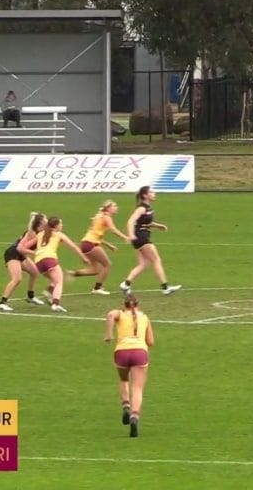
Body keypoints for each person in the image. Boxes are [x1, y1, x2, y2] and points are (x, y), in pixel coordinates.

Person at [104, 293, 155, 438]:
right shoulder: (144, 317)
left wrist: (109, 334)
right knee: (137, 387)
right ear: (138, 305)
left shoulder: (119, 314)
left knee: (124, 380)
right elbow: (151, 342)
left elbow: (109, 315)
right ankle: (134, 416)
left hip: (121, 352)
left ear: (124, 305)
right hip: (139, 352)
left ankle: (126, 404)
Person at [119, 186, 182, 296]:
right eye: (151, 192)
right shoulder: (141, 208)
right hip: (141, 237)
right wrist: (131, 234)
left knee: (143, 264)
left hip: (141, 236)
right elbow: (130, 221)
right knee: (156, 260)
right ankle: (165, 287)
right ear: (145, 195)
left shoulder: (148, 207)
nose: (154, 193)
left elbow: (144, 222)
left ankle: (126, 284)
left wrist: (158, 226)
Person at [22, 216, 90, 313]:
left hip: (39, 262)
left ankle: (49, 292)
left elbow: (25, 246)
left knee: (55, 279)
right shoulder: (59, 234)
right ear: (55, 227)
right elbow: (73, 246)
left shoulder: (41, 234)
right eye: (60, 224)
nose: (62, 225)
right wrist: (84, 258)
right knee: (59, 281)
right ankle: (55, 304)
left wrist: (36, 252)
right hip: (50, 259)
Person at [67, 200, 132, 295]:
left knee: (95, 270)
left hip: (86, 243)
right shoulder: (106, 217)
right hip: (91, 244)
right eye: (114, 206)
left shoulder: (99, 216)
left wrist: (108, 245)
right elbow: (113, 230)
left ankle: (73, 273)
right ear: (108, 208)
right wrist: (125, 237)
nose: (116, 208)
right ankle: (97, 288)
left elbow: (96, 235)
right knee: (107, 265)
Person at [0, 212, 47, 311]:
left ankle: (30, 297)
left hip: (22, 255)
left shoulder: (41, 231)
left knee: (34, 272)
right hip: (13, 253)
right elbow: (20, 249)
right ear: (40, 222)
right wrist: (36, 253)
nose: (47, 219)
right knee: (17, 279)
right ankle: (2, 302)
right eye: (45, 218)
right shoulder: (32, 233)